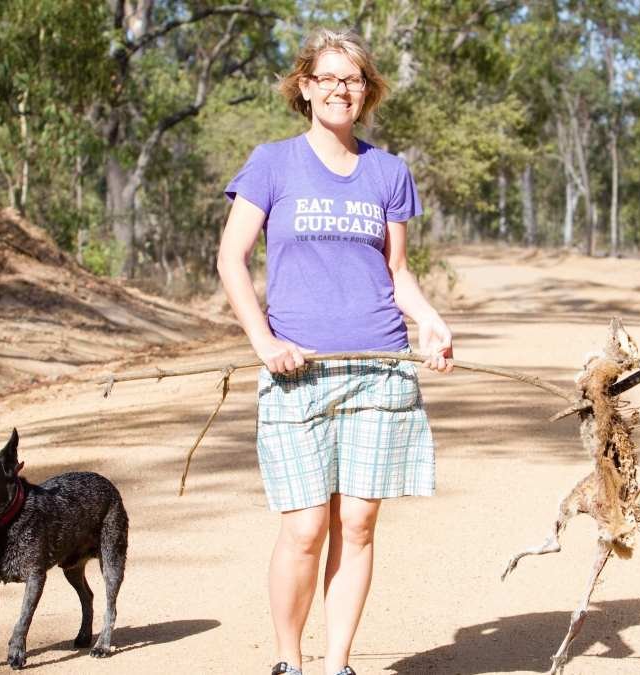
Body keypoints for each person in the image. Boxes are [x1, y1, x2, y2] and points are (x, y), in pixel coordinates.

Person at [216, 28, 454, 675]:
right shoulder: (271, 163)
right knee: (304, 528)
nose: (339, 89)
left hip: (381, 368)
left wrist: (430, 323)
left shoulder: (388, 171)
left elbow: (397, 271)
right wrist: (263, 341)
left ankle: (337, 664)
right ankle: (290, 662)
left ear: (367, 90)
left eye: (351, 79)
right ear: (304, 86)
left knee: (357, 526)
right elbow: (231, 258)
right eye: (326, 77)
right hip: (298, 372)